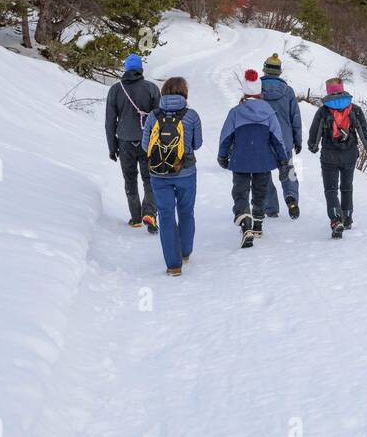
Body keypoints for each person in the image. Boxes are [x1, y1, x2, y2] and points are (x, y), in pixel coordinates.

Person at [217, 69, 290, 248]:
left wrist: (222, 156)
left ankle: (245, 223)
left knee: (240, 192)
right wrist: (282, 159)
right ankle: (257, 224)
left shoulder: (235, 112)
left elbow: (226, 136)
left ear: (245, 91)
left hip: (240, 159)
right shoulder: (269, 112)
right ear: (259, 91)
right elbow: (277, 139)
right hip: (263, 160)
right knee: (260, 191)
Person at [141, 77, 203, 276]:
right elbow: (197, 144)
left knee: (166, 216)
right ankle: (185, 252)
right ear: (185, 93)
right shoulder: (191, 115)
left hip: (158, 174)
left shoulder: (152, 116)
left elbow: (145, 146)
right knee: (186, 212)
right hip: (185, 172)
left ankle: (173, 265)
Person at [307, 78, 367, 239]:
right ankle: (347, 219)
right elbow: (365, 135)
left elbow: (313, 137)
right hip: (350, 155)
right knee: (347, 187)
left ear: (328, 91)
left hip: (329, 156)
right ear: (342, 88)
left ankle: (335, 219)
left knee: (331, 189)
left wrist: (313, 146)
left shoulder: (323, 111)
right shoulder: (355, 109)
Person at [105, 53, 161, 232]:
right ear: (141, 69)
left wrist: (112, 148)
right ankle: (150, 213)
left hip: (124, 141)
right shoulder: (151, 88)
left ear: (126, 69)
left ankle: (136, 217)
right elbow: (160, 118)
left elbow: (110, 121)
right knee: (149, 178)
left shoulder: (115, 89)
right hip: (148, 141)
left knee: (130, 179)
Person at [259, 53, 303, 219]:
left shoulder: (256, 89)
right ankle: (291, 196)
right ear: (279, 72)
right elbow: (295, 118)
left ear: (264, 70)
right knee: (289, 169)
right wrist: (297, 141)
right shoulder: (288, 91)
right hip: (284, 140)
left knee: (263, 173)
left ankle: (270, 208)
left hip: (261, 139)